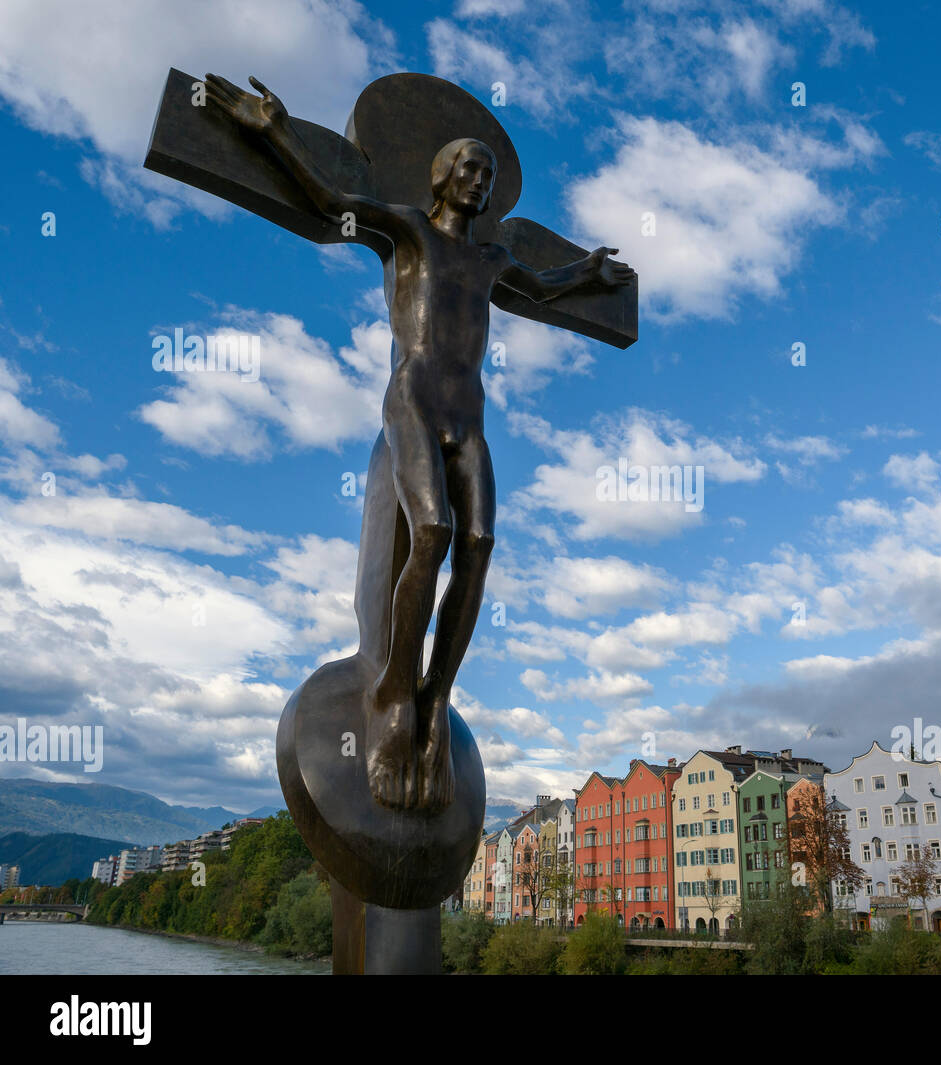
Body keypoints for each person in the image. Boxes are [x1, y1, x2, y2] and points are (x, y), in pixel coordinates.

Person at [204, 74, 633, 808]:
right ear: (440, 176)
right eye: (469, 167)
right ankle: (396, 696)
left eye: (488, 174)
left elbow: (543, 287)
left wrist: (588, 272)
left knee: (480, 546)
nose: (480, 181)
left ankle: (435, 698)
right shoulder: (408, 230)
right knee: (430, 529)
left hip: (470, 412)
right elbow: (334, 203)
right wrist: (275, 131)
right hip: (414, 398)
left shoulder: (491, 260)